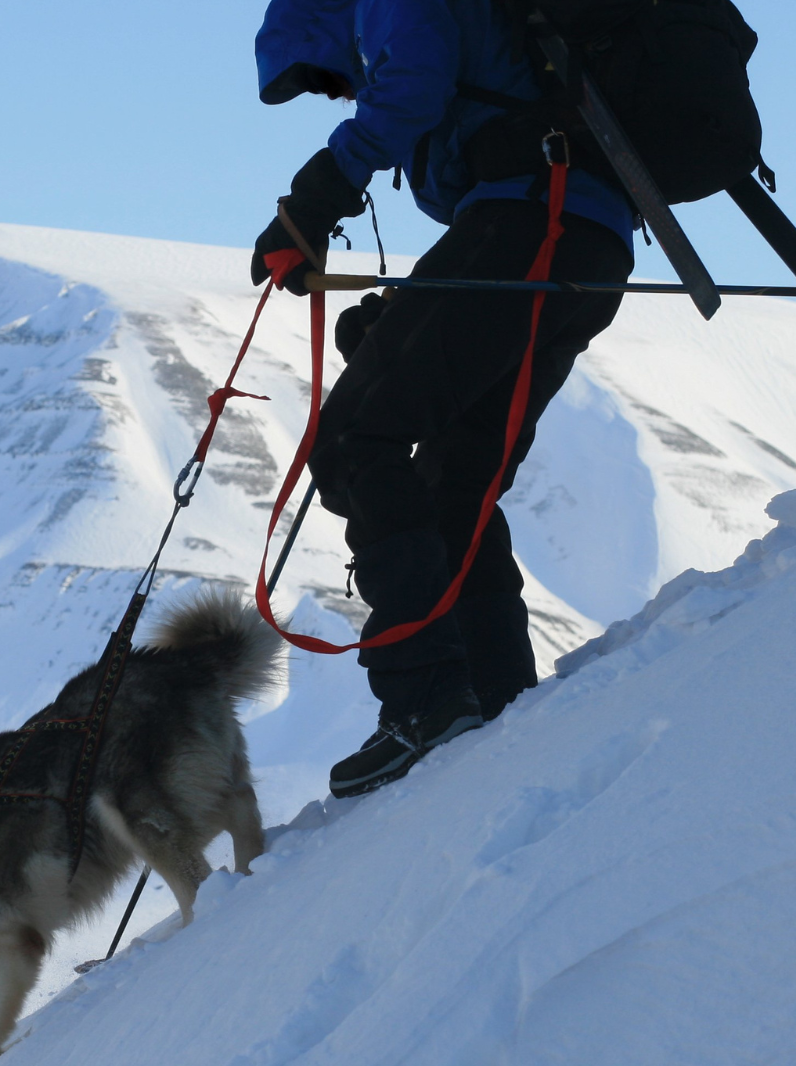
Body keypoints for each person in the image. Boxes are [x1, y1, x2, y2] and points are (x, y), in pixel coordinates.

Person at [251, 0, 637, 798]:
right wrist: (411, 319)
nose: (333, 89)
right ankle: (494, 700)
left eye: (316, 72)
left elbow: (414, 87)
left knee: (357, 435)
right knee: (459, 477)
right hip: (585, 243)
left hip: (528, 219)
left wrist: (313, 201)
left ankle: (425, 698)